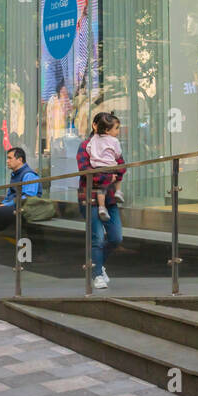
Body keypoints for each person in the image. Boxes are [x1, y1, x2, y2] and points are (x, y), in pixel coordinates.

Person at [77, 112, 125, 290]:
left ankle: (96, 265)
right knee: (96, 237)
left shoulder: (112, 144)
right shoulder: (86, 146)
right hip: (90, 198)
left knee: (116, 237)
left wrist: (115, 175)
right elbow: (84, 170)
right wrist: (107, 177)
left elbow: (121, 163)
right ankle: (96, 275)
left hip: (110, 198)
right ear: (95, 126)